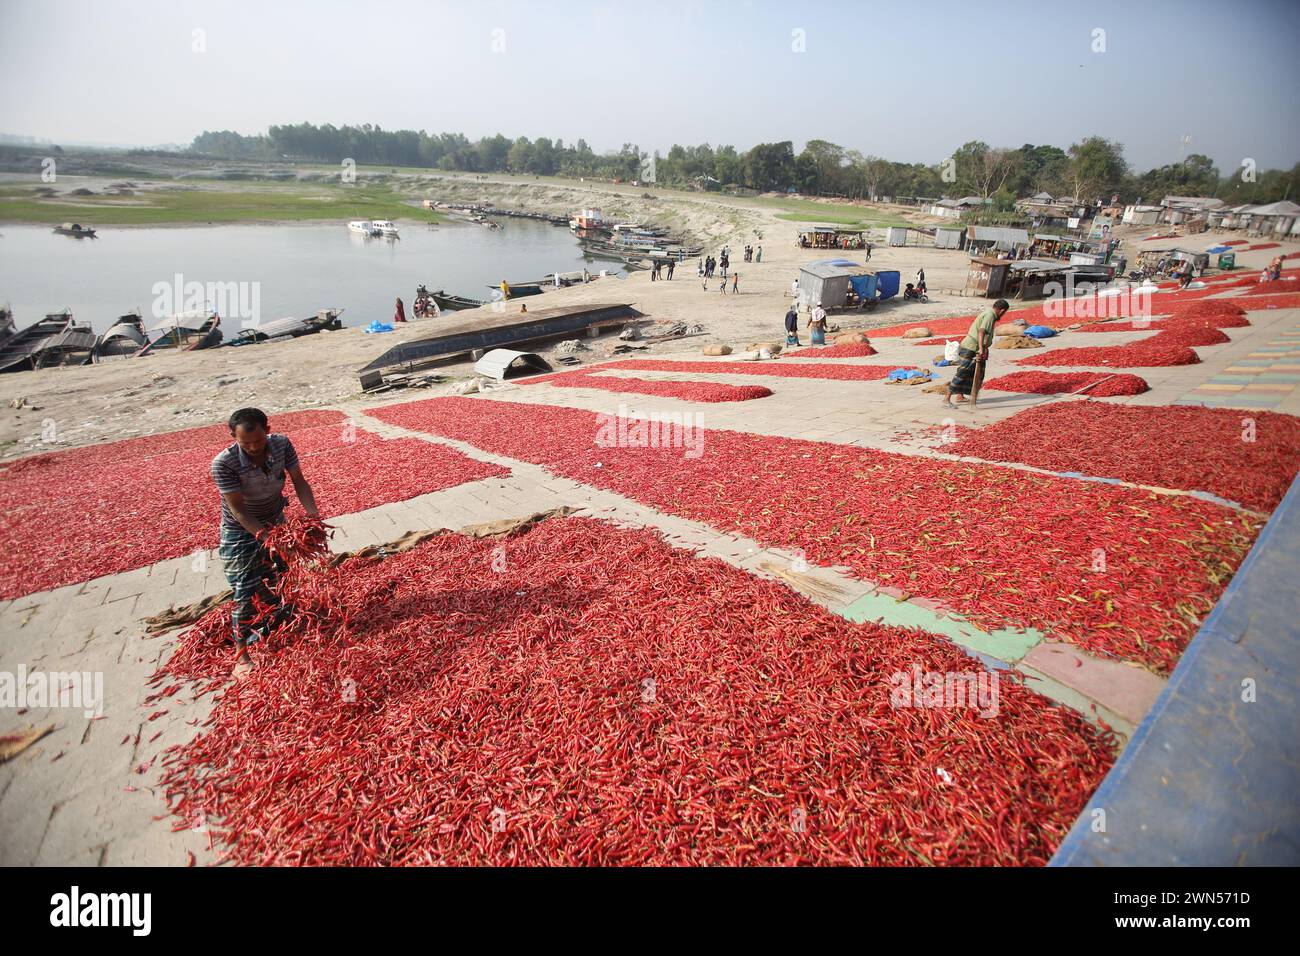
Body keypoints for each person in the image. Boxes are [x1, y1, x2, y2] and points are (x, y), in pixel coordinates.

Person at [211, 408, 319, 678]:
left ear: (267, 430)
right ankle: (241, 656)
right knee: (244, 589)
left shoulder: (281, 444)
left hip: (275, 519)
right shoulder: (223, 463)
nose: (253, 447)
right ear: (233, 437)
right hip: (241, 529)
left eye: (258, 441)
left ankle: (281, 623)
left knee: (282, 578)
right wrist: (269, 539)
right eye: (245, 443)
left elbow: (299, 482)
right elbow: (238, 511)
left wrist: (313, 517)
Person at [945, 299, 1008, 409]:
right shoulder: (990, 316)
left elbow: (986, 336)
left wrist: (985, 348)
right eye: (1004, 313)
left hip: (974, 347)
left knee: (973, 373)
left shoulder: (989, 313)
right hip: (971, 348)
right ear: (1002, 310)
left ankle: (960, 396)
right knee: (962, 372)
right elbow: (981, 331)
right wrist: (980, 348)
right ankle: (946, 398)